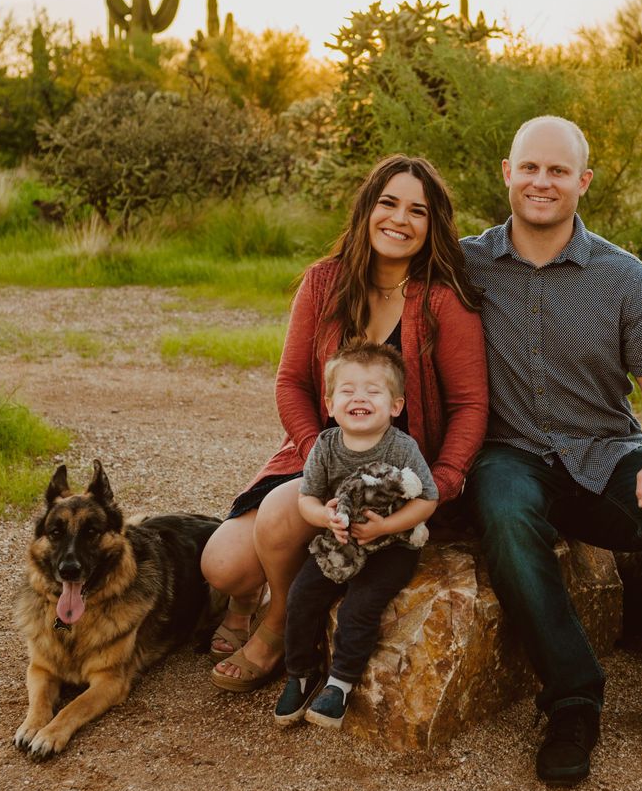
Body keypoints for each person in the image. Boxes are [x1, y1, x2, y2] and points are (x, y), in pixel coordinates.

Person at [461, 115, 642, 784]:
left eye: (557, 170)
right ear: (507, 173)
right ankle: (574, 700)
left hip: (607, 453)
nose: (541, 181)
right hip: (512, 455)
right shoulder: (467, 265)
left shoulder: (623, 275)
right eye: (530, 167)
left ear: (583, 181)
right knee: (504, 512)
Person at [204, 154, 487, 692]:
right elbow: (291, 383)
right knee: (222, 566)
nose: (399, 220)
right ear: (367, 208)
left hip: (393, 479)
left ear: (433, 226)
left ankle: (279, 624)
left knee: (280, 516)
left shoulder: (444, 299)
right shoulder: (322, 283)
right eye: (388, 203)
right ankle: (251, 597)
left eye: (417, 211)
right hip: (318, 455)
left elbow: (472, 405)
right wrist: (320, 452)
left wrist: (445, 479)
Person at [273, 340, 438, 728]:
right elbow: (307, 498)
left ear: (395, 406)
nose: (358, 398)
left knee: (359, 606)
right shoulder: (326, 446)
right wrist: (323, 516)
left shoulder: (402, 448)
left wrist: (386, 526)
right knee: (301, 595)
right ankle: (300, 672)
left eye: (372, 391)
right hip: (339, 543)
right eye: (347, 391)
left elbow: (428, 500)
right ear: (330, 404)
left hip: (391, 546)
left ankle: (339, 684)